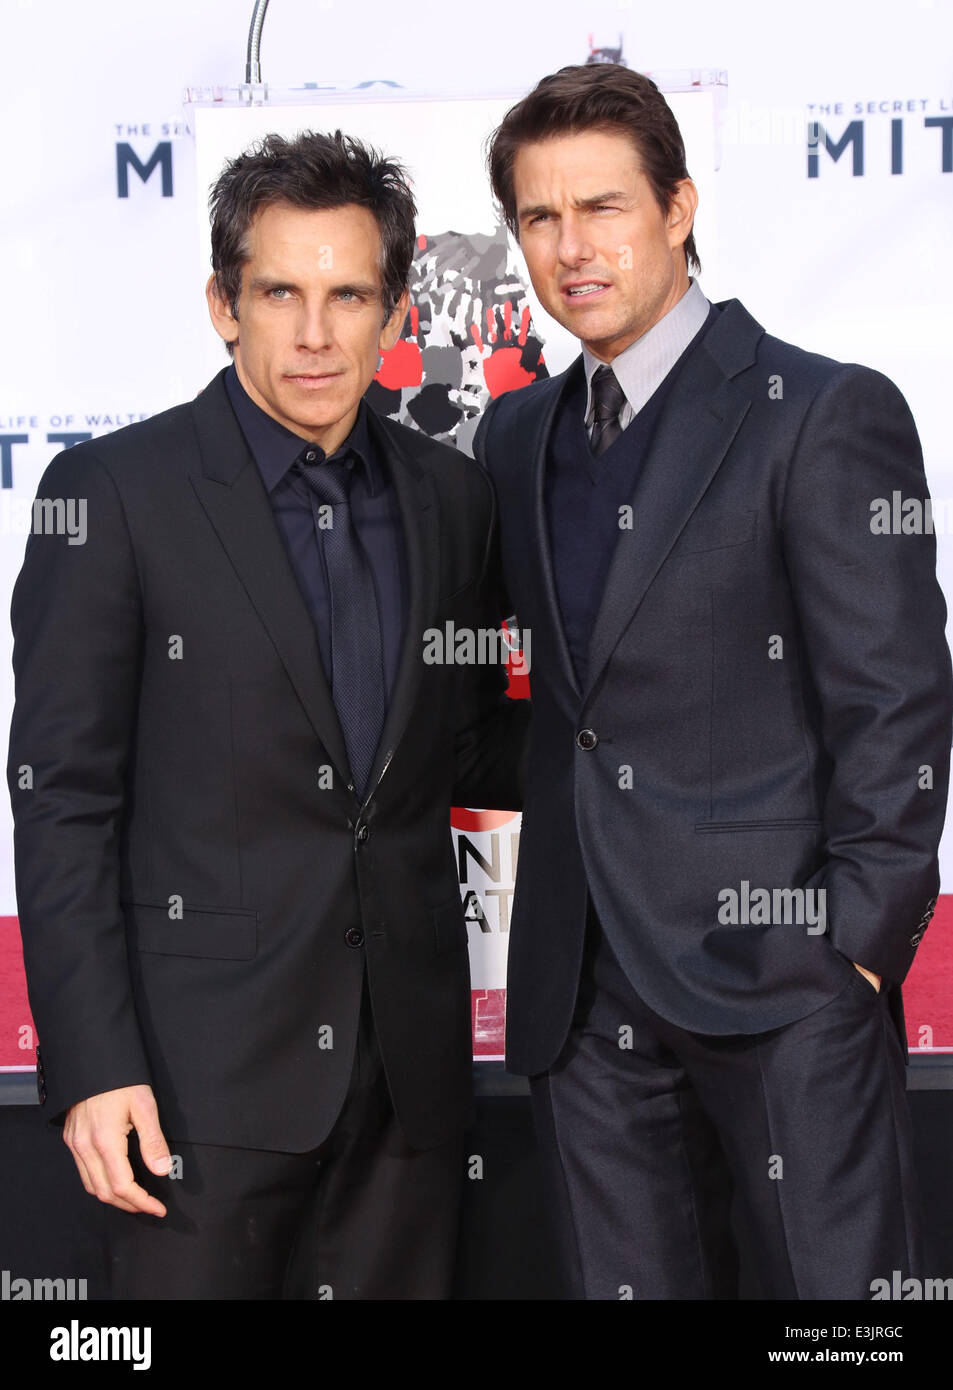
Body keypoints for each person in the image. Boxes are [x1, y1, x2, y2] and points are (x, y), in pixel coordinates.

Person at [8, 129, 526, 1300]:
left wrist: (664, 738)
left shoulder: (449, 495)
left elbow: (456, 744)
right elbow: (64, 801)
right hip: (194, 1095)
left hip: (407, 1088)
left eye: (347, 295)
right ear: (220, 303)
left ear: (396, 311)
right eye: (277, 291)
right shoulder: (111, 497)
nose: (312, 332)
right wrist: (94, 1068)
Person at [473, 64, 952, 1300]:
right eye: (538, 217)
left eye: (604, 208)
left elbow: (892, 699)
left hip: (785, 976)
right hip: (581, 992)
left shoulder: (818, 412)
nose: (570, 248)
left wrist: (854, 950)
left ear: (678, 207)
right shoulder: (515, 437)